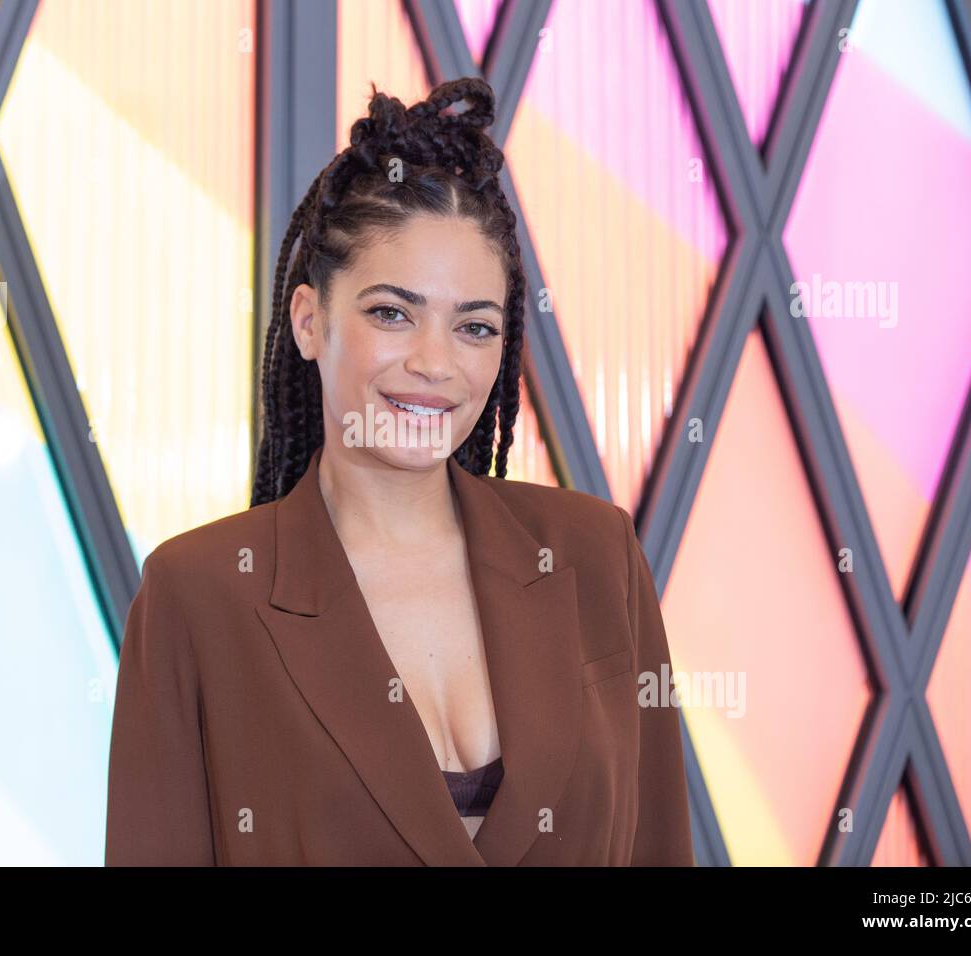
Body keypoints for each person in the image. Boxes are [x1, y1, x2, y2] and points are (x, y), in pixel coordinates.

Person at [105, 76, 693, 866]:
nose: (433, 364)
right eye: (391, 312)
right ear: (310, 321)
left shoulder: (595, 556)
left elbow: (659, 844)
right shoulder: (198, 594)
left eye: (474, 327)